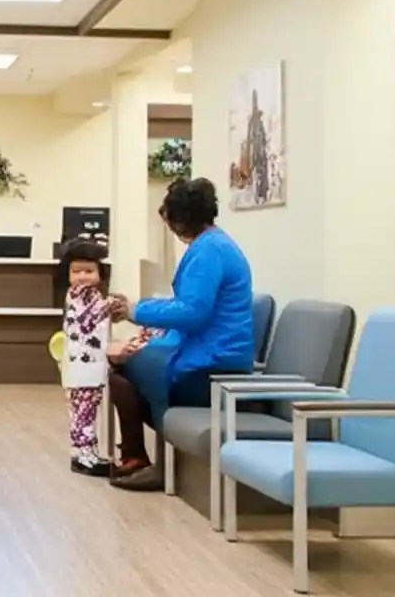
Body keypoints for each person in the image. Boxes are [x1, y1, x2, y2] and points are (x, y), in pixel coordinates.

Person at [105, 177, 255, 490]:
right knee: (127, 369)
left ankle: (157, 463)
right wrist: (150, 324)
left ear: (179, 220)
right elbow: (193, 308)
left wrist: (135, 311)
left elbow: (193, 311)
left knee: (126, 366)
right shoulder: (214, 244)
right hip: (211, 354)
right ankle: (142, 457)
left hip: (213, 367)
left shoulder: (209, 251)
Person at [59, 239, 143, 476]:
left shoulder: (92, 295)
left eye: (89, 271)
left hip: (89, 365)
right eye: (76, 272)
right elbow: (87, 321)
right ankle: (84, 457)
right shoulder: (79, 296)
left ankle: (84, 454)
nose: (82, 277)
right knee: (83, 412)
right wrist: (113, 305)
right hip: (82, 366)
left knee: (85, 411)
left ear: (100, 272)